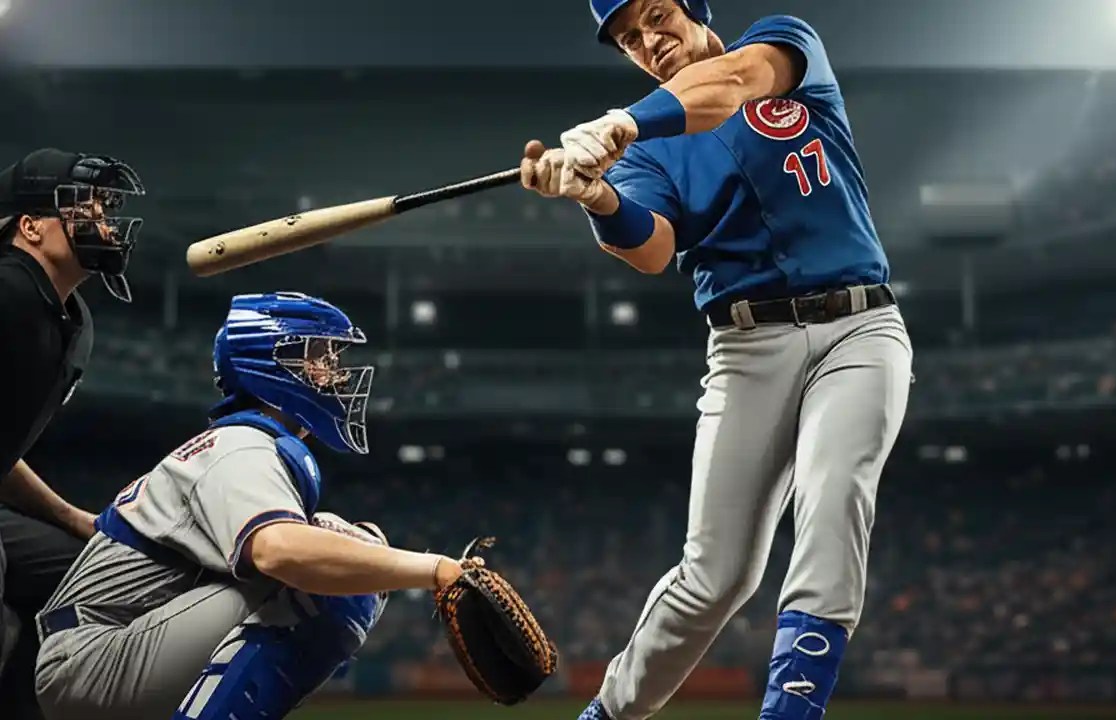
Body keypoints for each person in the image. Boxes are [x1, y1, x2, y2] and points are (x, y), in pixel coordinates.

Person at [519, 2, 914, 719]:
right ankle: (606, 714)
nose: (648, 41)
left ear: (694, 6)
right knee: (716, 575)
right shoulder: (646, 153)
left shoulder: (783, 44)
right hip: (745, 346)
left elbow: (732, 81)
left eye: (657, 15)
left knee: (833, 498)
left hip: (860, 328)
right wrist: (597, 196)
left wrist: (624, 121)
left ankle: (791, 711)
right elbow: (653, 248)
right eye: (629, 39)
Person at [31, 291, 481, 720]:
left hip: (110, 646)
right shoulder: (242, 446)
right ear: (270, 366)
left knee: (336, 547)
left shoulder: (240, 444)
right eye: (317, 357)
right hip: (91, 658)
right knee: (327, 567)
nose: (334, 372)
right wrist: (437, 570)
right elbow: (279, 552)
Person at [0, 148, 146, 719]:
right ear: (30, 227)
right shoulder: (8, 291)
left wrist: (69, 517)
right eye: (83, 206)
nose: (103, 219)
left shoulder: (69, 317)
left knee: (85, 572)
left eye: (106, 207)